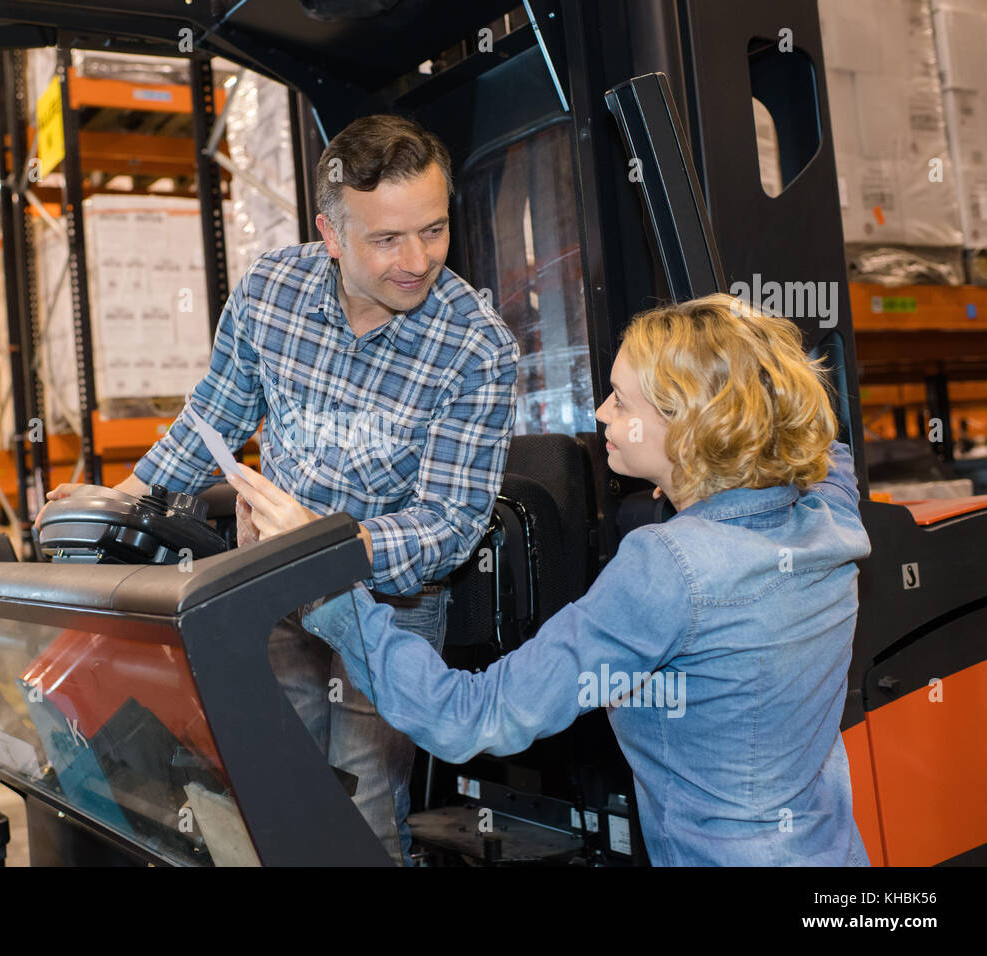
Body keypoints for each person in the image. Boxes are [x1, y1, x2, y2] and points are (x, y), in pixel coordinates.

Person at [229, 292, 873, 866]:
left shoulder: (670, 566)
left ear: (689, 424)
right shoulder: (828, 516)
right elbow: (828, 448)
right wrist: (740, 350)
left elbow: (469, 717)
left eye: (622, 400)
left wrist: (322, 577)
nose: (600, 412)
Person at [40, 114, 519, 865]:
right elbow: (214, 417)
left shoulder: (475, 347)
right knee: (269, 786)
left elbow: (452, 524)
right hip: (271, 597)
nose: (418, 260)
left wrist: (320, 545)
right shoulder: (271, 293)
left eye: (433, 229)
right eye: (387, 239)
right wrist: (120, 499)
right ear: (331, 235)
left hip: (388, 612)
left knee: (359, 807)